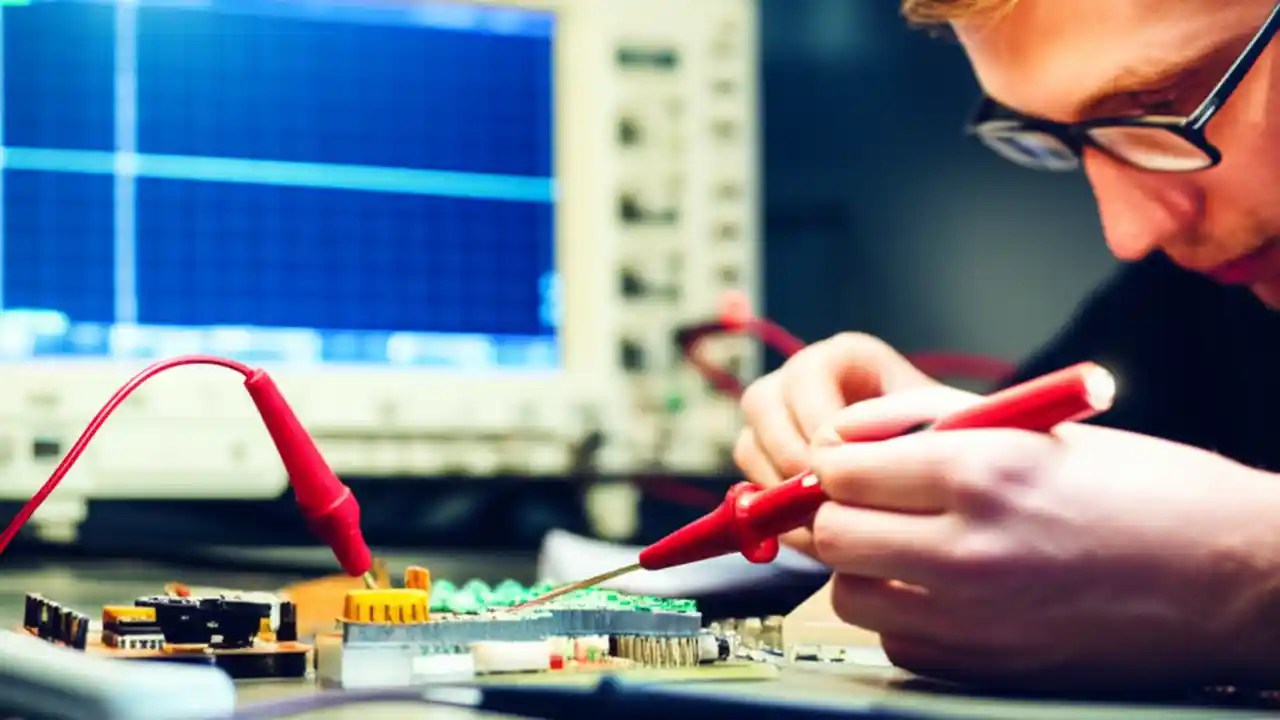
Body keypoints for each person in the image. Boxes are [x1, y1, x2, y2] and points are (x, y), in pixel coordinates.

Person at [735, 0, 1280, 692]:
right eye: (1059, 138)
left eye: (1163, 102)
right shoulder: (1205, 301)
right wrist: (924, 455)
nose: (1129, 232)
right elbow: (1051, 513)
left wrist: (1254, 577)